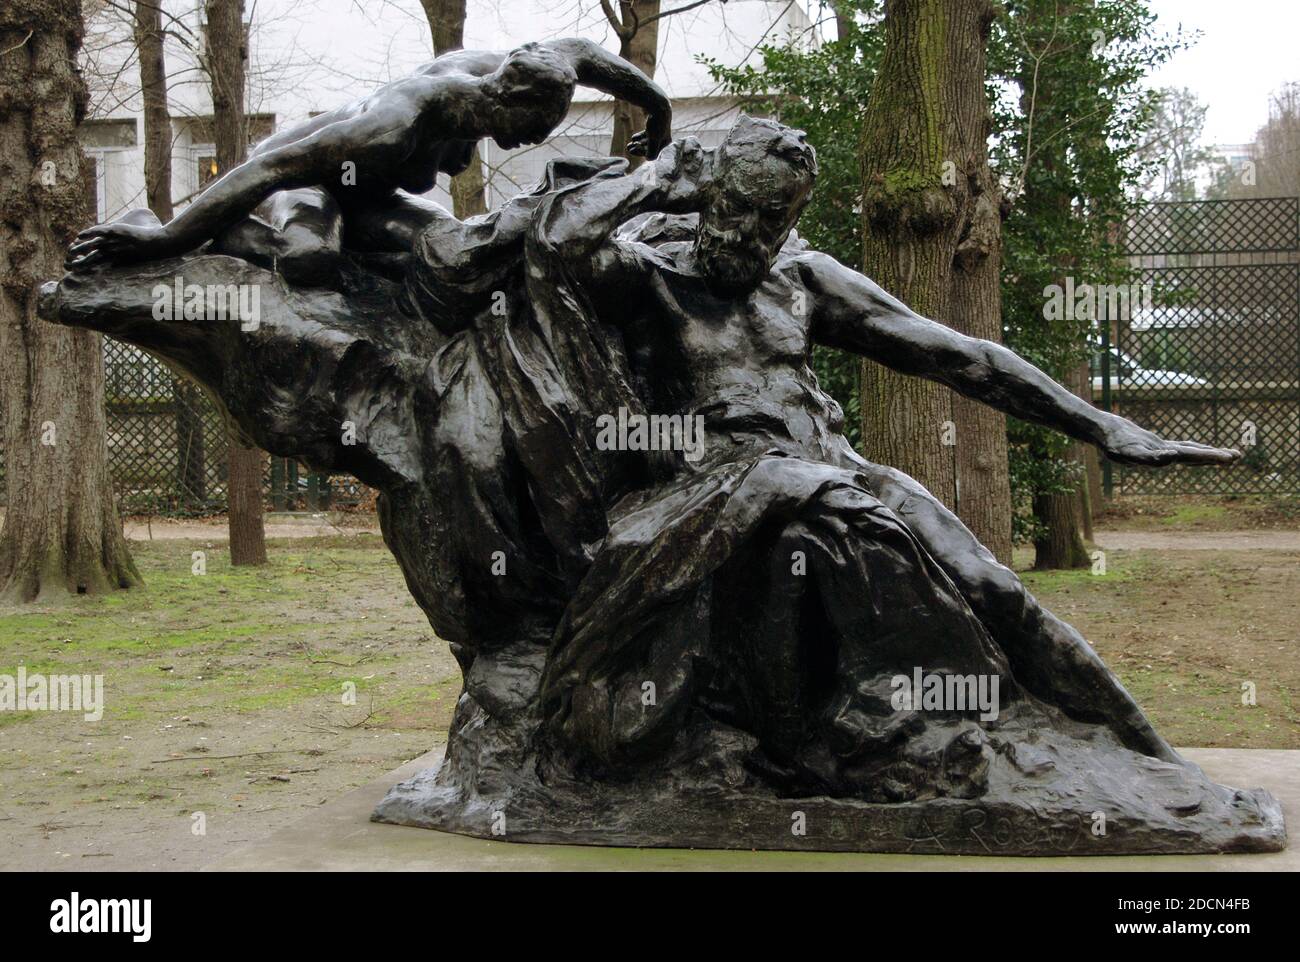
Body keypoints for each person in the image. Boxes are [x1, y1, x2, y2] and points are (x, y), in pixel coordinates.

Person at [530, 118, 1241, 780]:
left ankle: (1155, 763)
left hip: (833, 469)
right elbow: (551, 242)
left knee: (991, 584)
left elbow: (966, 358)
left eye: (775, 219)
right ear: (709, 193)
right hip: (720, 489)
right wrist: (656, 178)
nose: (750, 233)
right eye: (739, 207)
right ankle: (865, 731)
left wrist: (1101, 425)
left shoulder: (804, 284)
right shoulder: (644, 279)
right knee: (833, 523)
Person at [65, 39, 671, 284]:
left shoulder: (534, 63)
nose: (529, 141)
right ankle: (217, 231)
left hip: (372, 199)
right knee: (309, 258)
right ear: (502, 100)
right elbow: (270, 169)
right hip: (303, 182)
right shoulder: (393, 124)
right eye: (530, 129)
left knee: (453, 247)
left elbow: (600, 61)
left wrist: (661, 115)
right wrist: (165, 238)